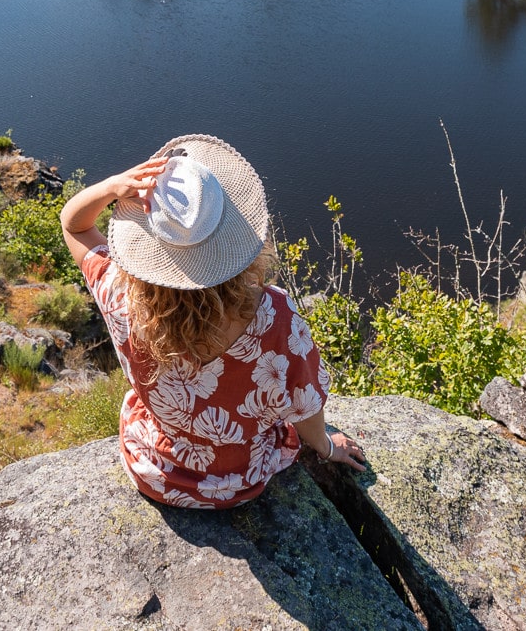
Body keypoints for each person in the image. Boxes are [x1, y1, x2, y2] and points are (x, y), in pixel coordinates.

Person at [59, 134, 365, 509]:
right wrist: (326, 446)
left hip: (155, 470)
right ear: (235, 243)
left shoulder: (119, 297)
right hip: (240, 482)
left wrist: (112, 186)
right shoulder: (274, 317)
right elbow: (304, 404)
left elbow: (73, 224)